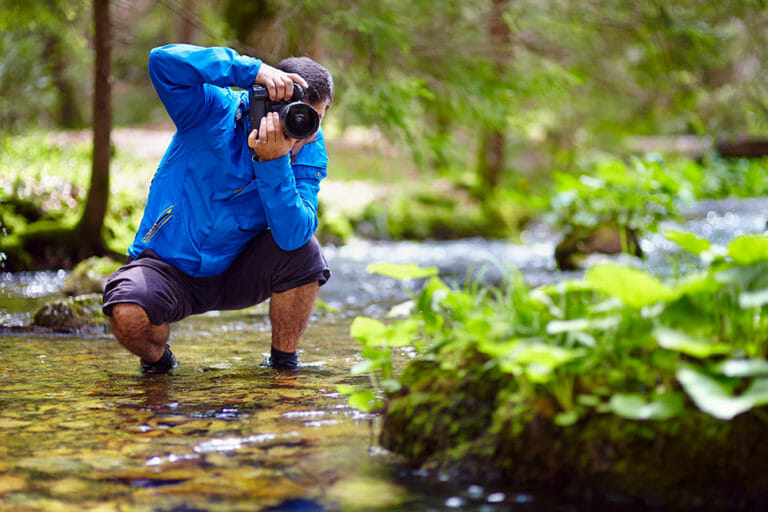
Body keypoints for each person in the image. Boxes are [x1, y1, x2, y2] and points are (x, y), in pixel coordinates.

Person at [102, 44, 334, 374]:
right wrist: (252, 70)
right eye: (296, 113)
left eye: (314, 121)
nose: (302, 130)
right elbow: (162, 62)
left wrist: (274, 163)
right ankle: (160, 364)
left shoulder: (308, 148)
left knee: (306, 253)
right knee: (128, 314)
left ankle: (283, 367)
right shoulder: (212, 109)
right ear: (271, 97)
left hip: (238, 269)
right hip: (168, 265)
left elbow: (293, 235)